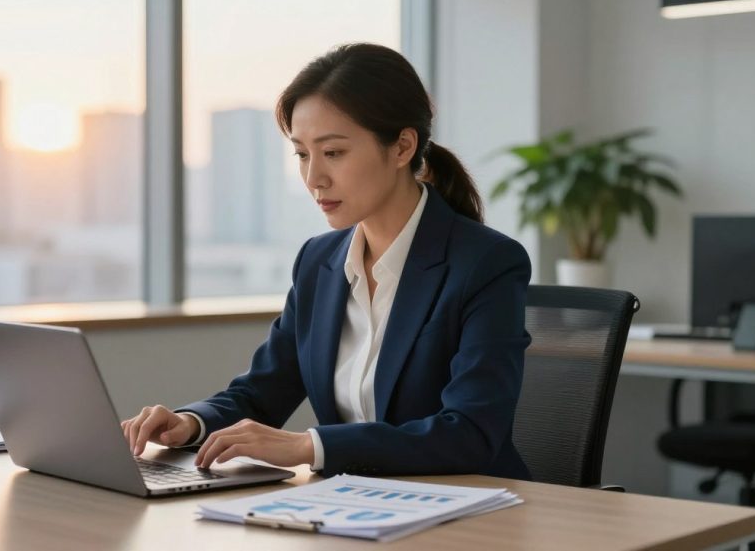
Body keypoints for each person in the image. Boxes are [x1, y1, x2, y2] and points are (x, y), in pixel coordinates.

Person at [121, 43, 532, 479]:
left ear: (402, 147)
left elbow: (469, 434)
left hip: (471, 512)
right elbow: (262, 393)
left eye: (333, 152)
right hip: (352, 510)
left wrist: (308, 446)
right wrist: (190, 424)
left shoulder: (486, 263)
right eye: (302, 154)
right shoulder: (319, 261)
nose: (313, 178)